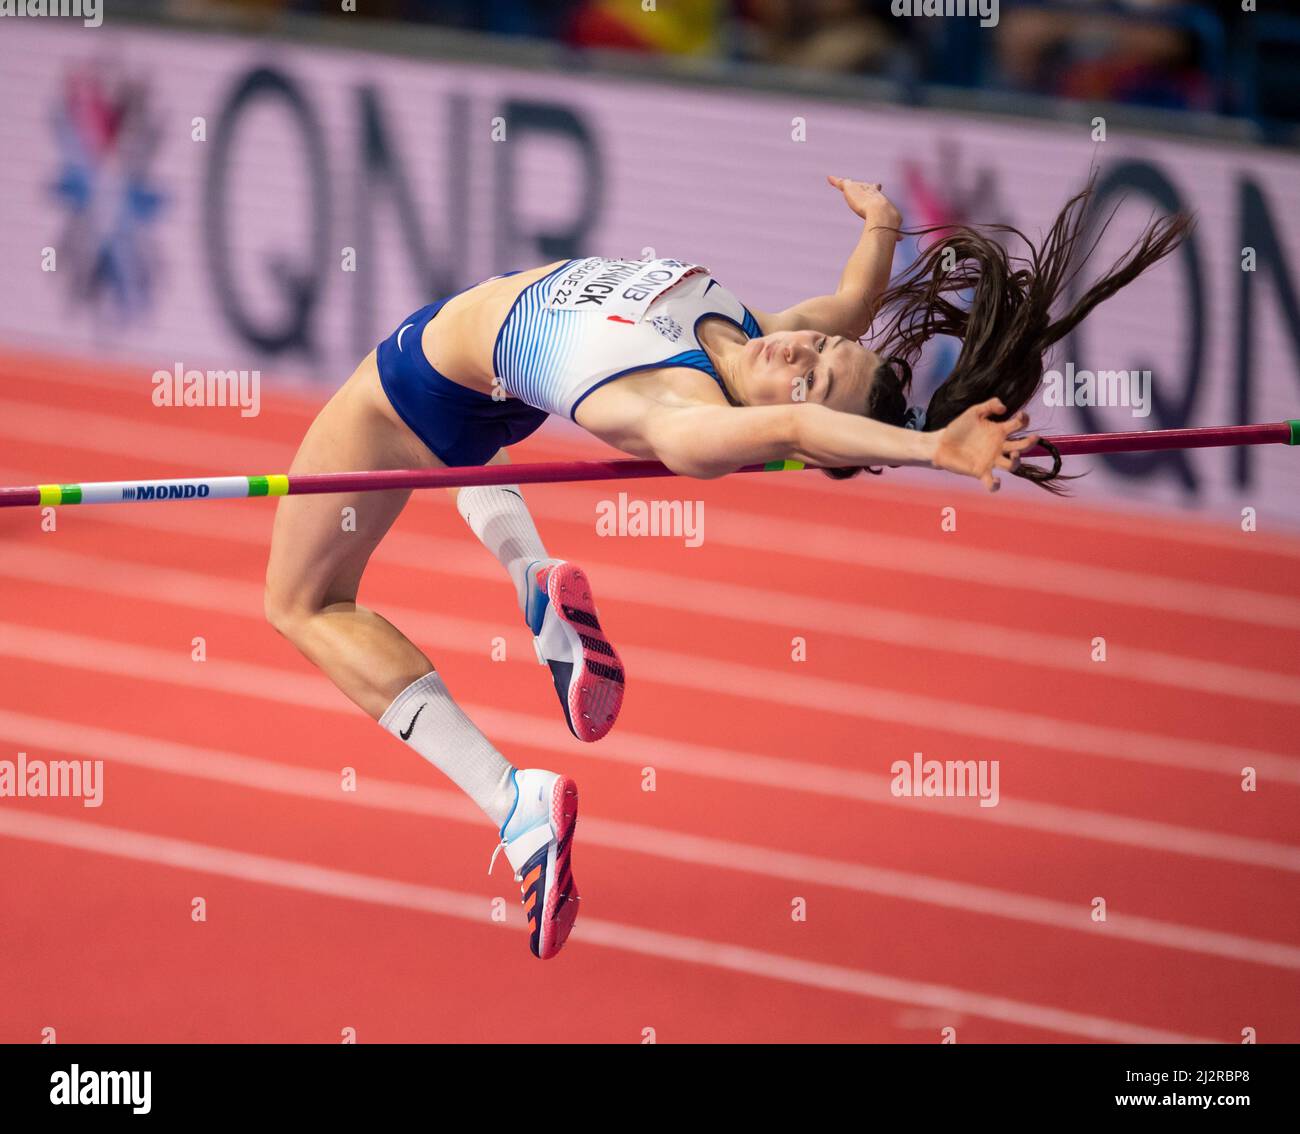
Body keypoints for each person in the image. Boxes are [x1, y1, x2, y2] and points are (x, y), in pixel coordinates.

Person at [262, 175, 1190, 959]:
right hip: (493, 389)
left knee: (303, 604)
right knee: (469, 466)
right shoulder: (743, 327)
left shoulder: (688, 423)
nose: (800, 355)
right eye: (821, 353)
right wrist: (883, 229)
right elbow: (850, 308)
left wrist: (934, 454)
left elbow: (792, 424)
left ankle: (516, 800)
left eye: (811, 376)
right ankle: (537, 592)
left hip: (419, 385)